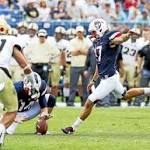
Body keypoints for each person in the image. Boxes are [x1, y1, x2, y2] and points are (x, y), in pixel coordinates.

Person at [61, 18, 150, 134]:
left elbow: (119, 39)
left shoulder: (109, 38)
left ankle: (73, 127)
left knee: (90, 102)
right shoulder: (97, 42)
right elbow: (100, 63)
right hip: (108, 76)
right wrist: (93, 80)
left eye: (93, 31)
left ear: (100, 29)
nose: (92, 34)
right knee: (125, 95)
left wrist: (127, 35)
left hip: (110, 79)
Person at [0, 18, 39, 145]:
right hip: (1, 73)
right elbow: (25, 66)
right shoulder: (10, 39)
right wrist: (33, 82)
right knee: (12, 111)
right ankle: (0, 130)